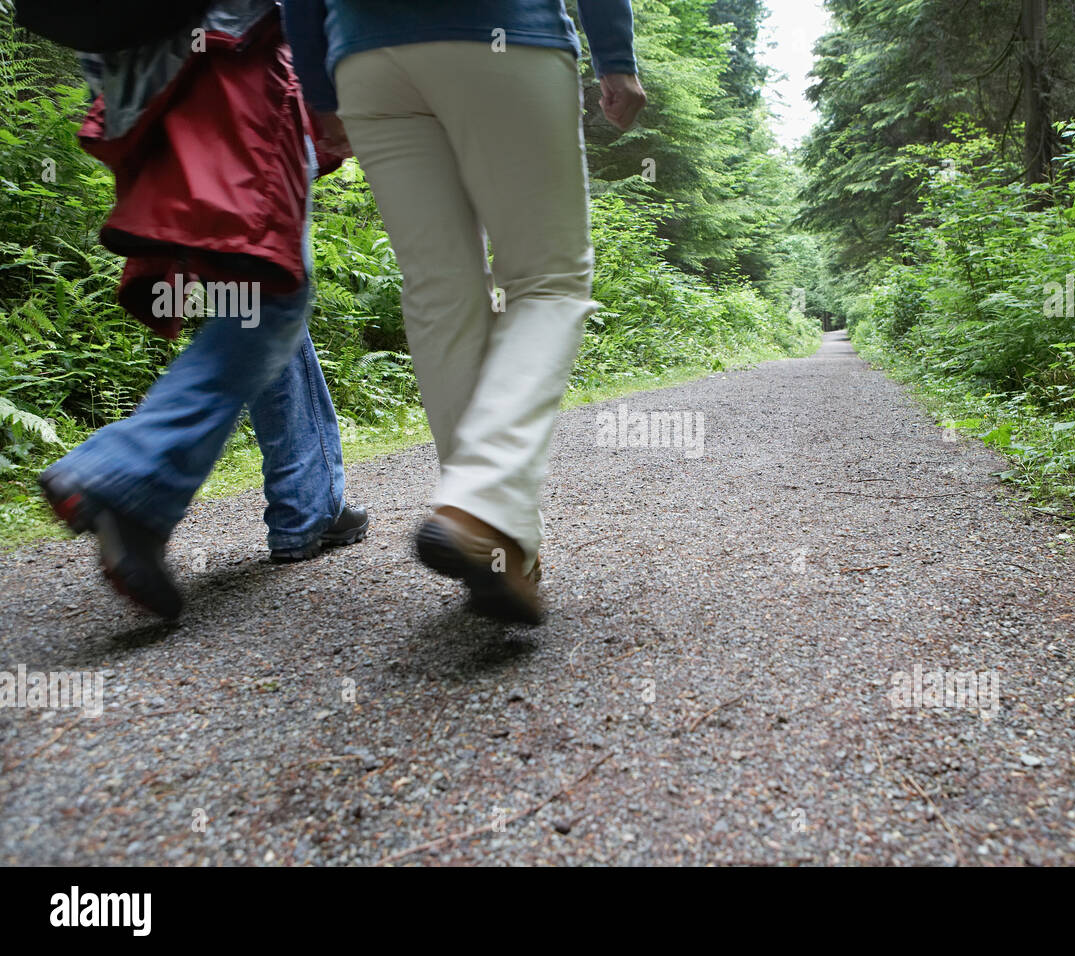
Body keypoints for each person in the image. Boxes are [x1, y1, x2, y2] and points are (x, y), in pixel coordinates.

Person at [282, 0, 646, 624]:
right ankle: (481, 503)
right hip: (504, 35)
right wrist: (615, 56)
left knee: (439, 291)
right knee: (548, 281)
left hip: (367, 57)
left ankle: (499, 545)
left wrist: (318, 87)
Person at [38, 0, 368, 620]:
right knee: (269, 290)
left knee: (246, 285)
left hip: (147, 77)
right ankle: (127, 473)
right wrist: (330, 84)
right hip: (235, 58)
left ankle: (309, 505)